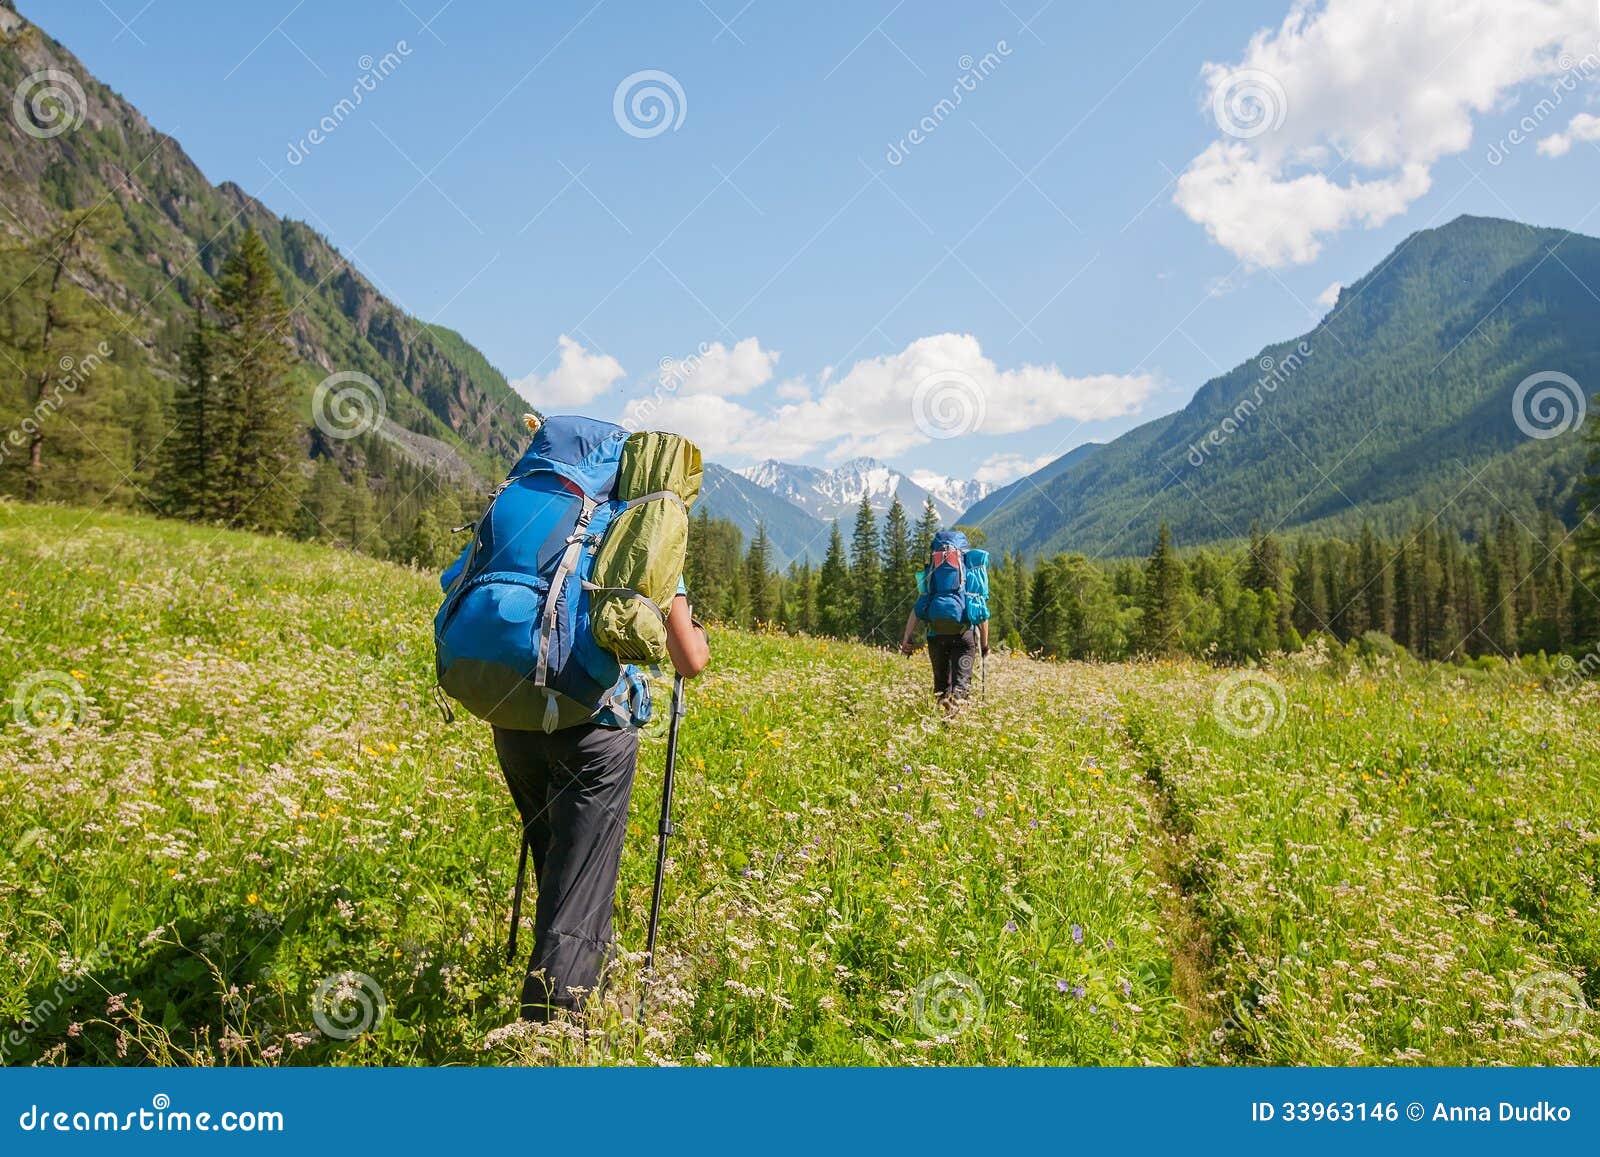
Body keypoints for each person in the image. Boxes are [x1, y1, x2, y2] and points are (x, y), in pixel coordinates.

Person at [494, 580, 709, 1022]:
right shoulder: (643, 528)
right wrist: (699, 636)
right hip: (593, 726)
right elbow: (689, 660)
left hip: (514, 716)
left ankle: (594, 983)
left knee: (556, 865)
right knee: (579, 883)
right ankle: (553, 1035)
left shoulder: (535, 508)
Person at [900, 607, 988, 707]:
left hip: (936, 637)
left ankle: (942, 716)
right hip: (963, 638)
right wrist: (984, 645)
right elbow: (981, 611)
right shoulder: (970, 590)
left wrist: (907, 637)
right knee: (961, 683)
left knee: (941, 684)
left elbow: (918, 608)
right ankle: (957, 716)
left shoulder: (932, 590)